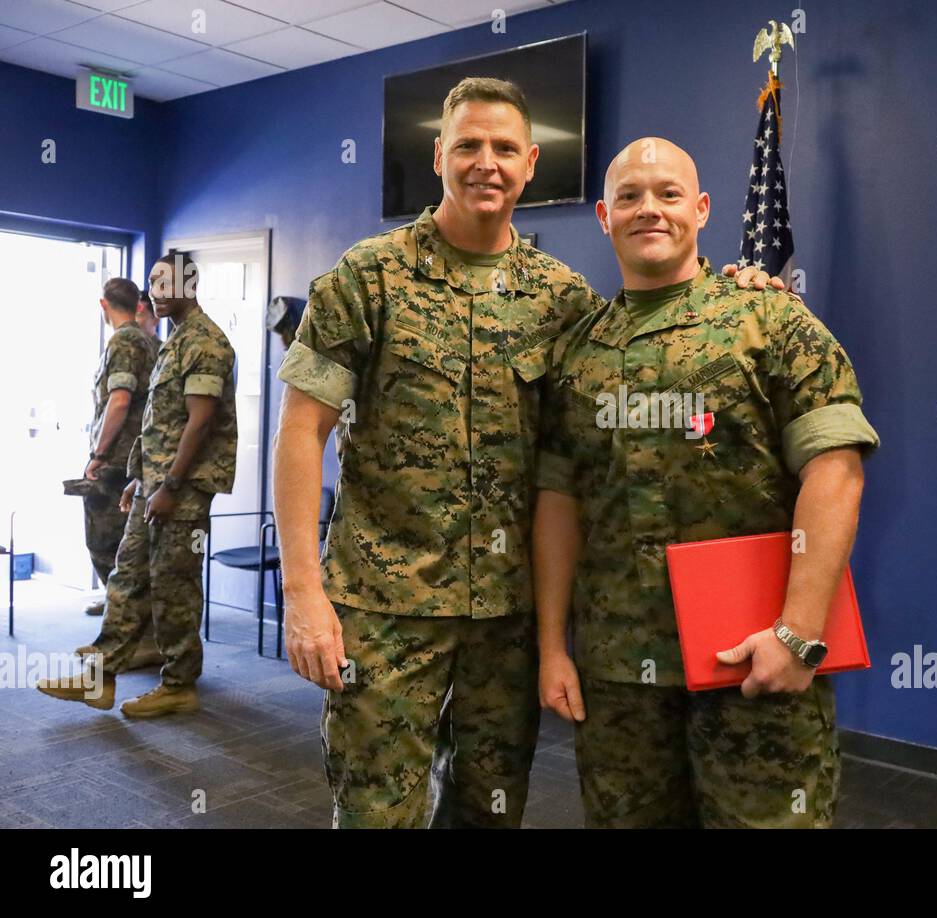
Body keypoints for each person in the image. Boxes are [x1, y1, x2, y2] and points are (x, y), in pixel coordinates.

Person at [274, 78, 778, 828]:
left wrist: (742, 287)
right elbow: (300, 433)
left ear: (531, 162)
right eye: (468, 145)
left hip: (507, 616)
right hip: (385, 607)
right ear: (439, 153)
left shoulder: (561, 298)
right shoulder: (369, 277)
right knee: (378, 807)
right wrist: (303, 595)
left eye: (504, 148)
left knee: (491, 806)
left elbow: (658, 323)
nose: (487, 163)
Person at [532, 138, 881, 828]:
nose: (648, 209)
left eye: (667, 193)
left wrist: (800, 636)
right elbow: (558, 502)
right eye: (629, 196)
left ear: (701, 208)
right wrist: (551, 647)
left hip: (755, 661)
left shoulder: (771, 321)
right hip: (620, 675)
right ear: (604, 215)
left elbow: (835, 471)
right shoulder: (576, 353)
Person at [38, 251, 239, 717]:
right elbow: (156, 421)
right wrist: (137, 478)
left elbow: (199, 423)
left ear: (188, 283)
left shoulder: (207, 342)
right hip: (154, 484)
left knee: (174, 586)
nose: (154, 291)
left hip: (182, 490)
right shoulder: (171, 341)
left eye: (163, 281)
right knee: (126, 579)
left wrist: (169, 484)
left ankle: (179, 682)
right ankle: (100, 678)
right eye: (151, 281)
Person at [79, 278, 157, 626]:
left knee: (106, 542)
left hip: (118, 461)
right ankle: (126, 614)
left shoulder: (124, 341)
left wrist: (98, 454)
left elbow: (120, 400)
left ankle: (127, 624)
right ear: (139, 306)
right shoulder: (152, 342)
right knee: (132, 545)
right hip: (139, 456)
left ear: (103, 305)